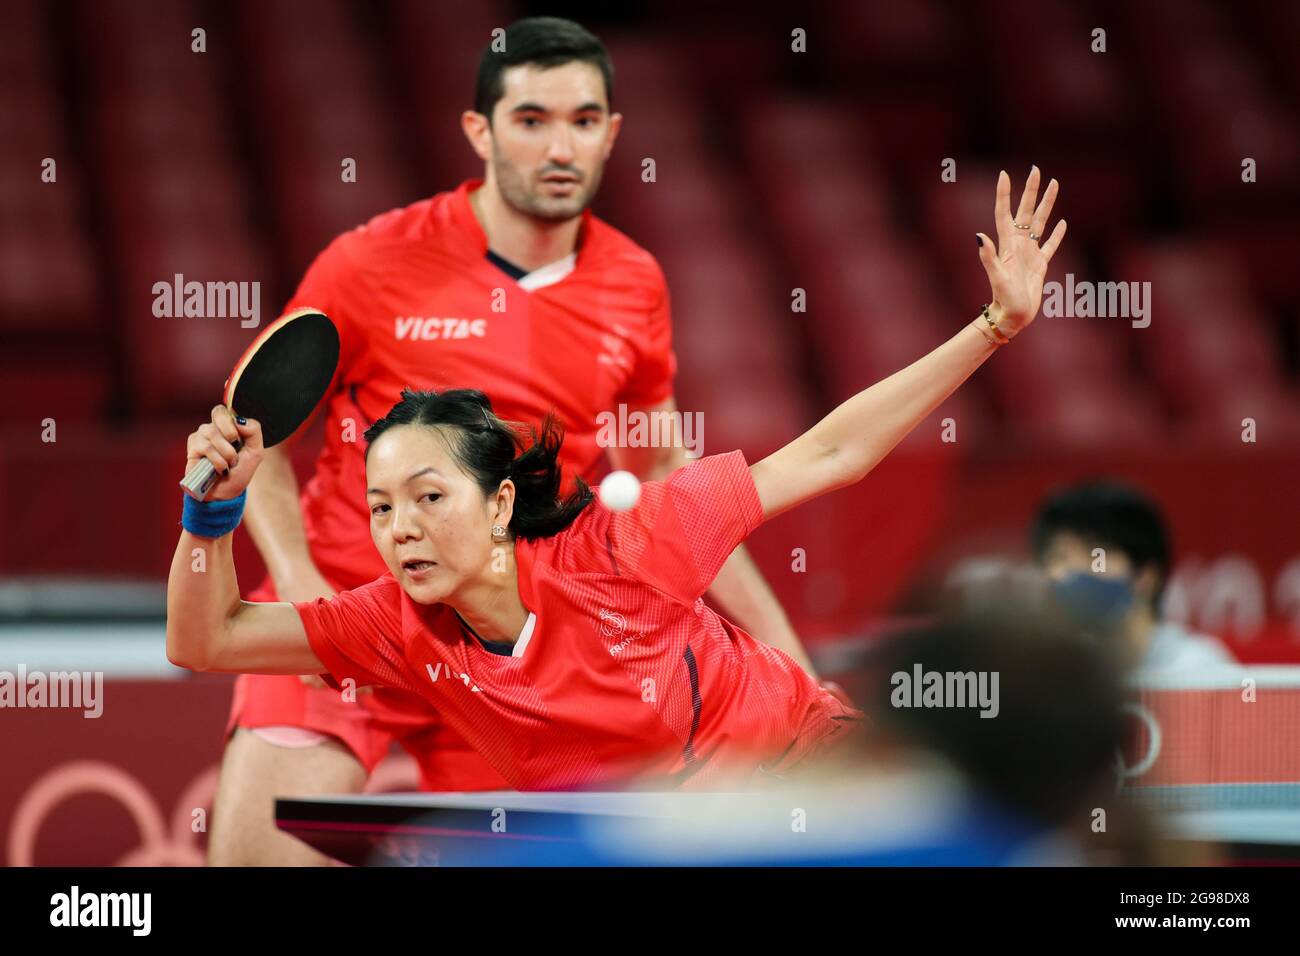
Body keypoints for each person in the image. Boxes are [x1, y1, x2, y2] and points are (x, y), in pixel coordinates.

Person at [168, 167, 1068, 789]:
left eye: (429, 498)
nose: (398, 527)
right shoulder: (400, 629)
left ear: (502, 504)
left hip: (812, 787)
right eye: (379, 507)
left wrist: (993, 324)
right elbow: (206, 642)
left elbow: (832, 453)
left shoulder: (631, 545)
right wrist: (208, 519)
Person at [213, 17, 814, 863]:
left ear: (610, 134)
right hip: (351, 608)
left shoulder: (634, 282)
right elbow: (259, 436)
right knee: (252, 858)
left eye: (581, 119)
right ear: (480, 131)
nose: (558, 145)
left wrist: (784, 650)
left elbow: (663, 474)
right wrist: (304, 588)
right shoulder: (370, 262)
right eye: (531, 119)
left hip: (516, 651)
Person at [1031, 480, 1236, 675]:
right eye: (1060, 557)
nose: (1074, 573)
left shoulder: (1199, 669)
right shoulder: (1046, 673)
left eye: (1096, 554)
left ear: (1146, 576)